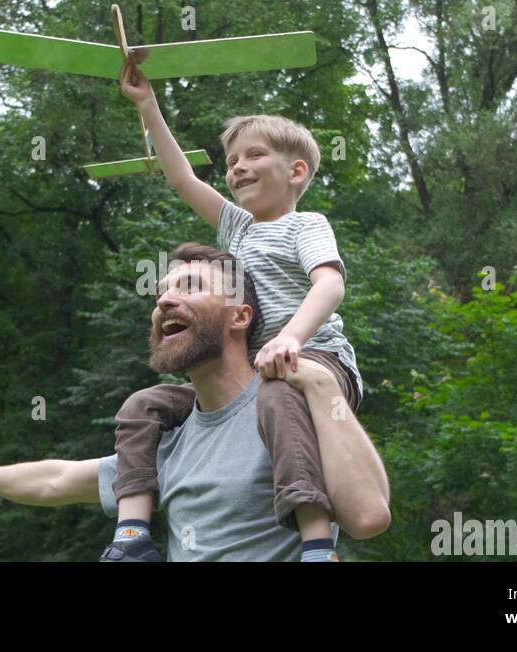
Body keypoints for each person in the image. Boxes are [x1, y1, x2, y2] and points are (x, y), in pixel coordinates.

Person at [0, 245, 390, 561]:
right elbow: (59, 479)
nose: (165, 301)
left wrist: (320, 383)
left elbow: (368, 516)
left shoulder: (289, 409)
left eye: (190, 287)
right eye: (160, 293)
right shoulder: (166, 440)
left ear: (240, 317)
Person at [102, 60, 367, 561]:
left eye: (254, 155)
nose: (237, 167)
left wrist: (291, 338)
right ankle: (132, 536)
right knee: (146, 405)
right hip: (258, 370)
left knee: (279, 399)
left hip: (317, 355)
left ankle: (315, 545)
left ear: (296, 171)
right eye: (232, 160)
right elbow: (181, 178)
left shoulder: (304, 225)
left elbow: (330, 285)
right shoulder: (238, 229)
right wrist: (147, 105)